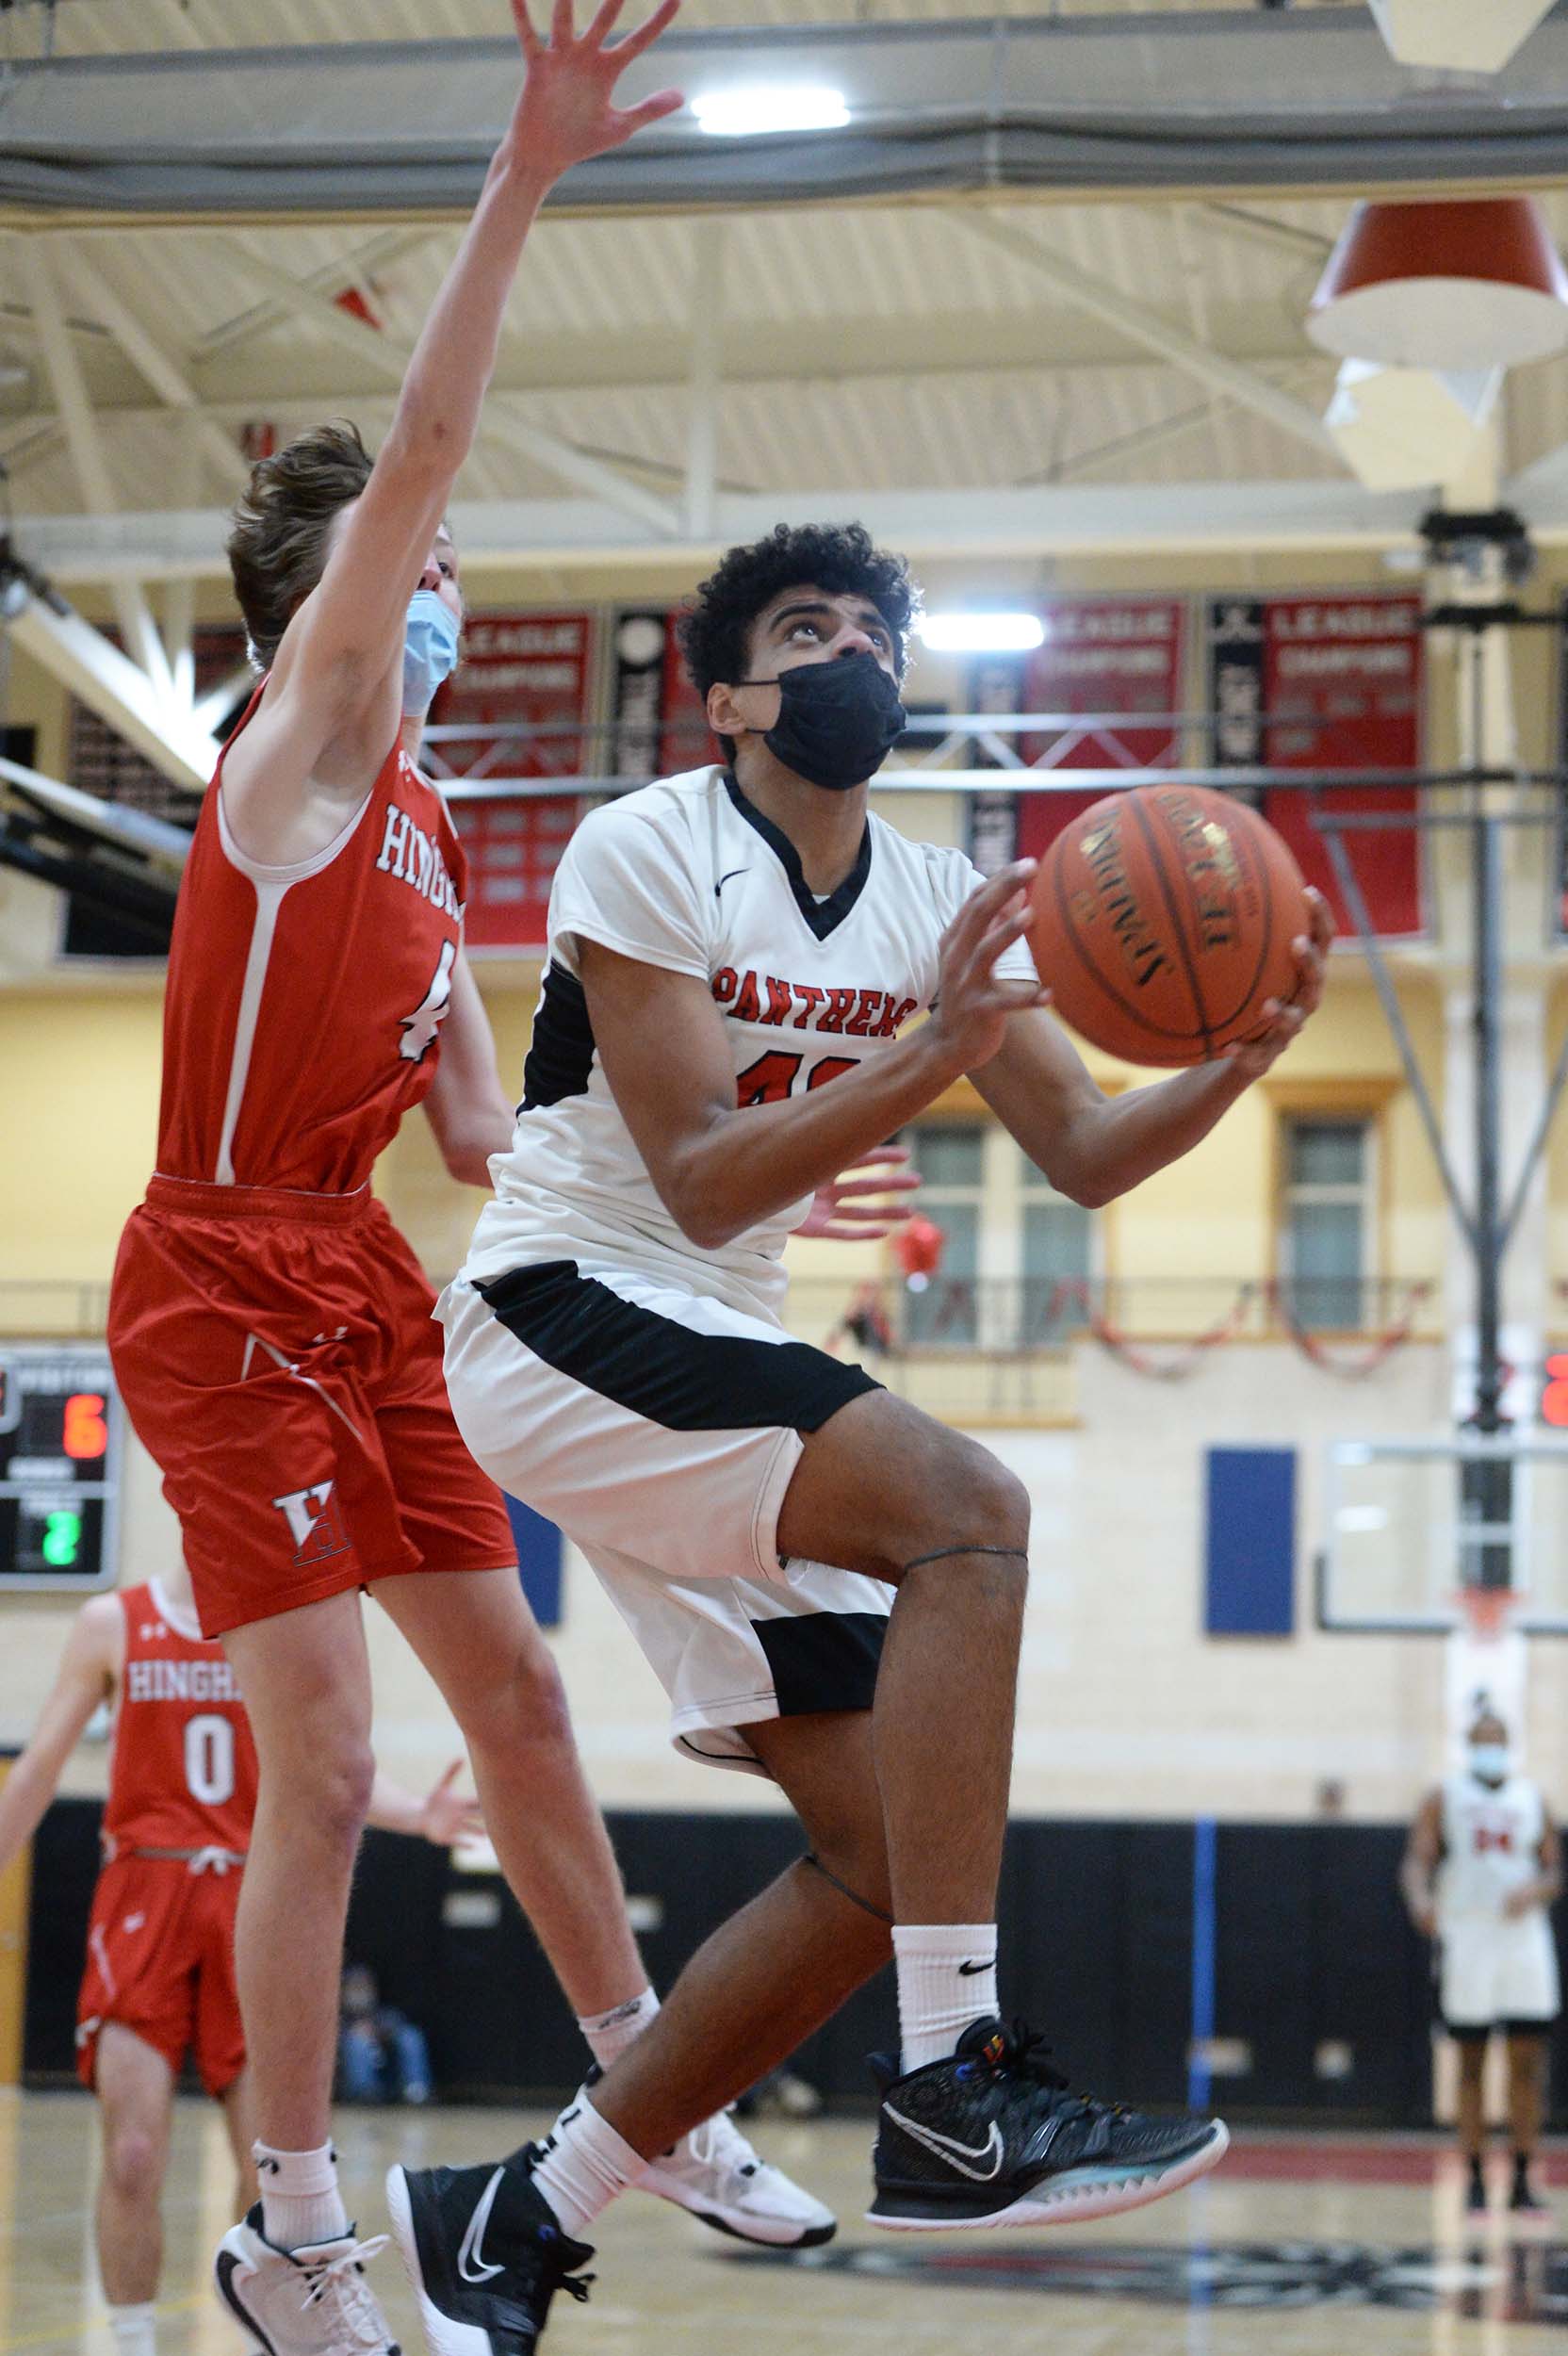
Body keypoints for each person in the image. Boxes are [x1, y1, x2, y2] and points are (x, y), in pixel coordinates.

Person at [103, 8, 858, 2348]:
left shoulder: (432, 841)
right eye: (390, 566)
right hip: (209, 1280)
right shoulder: (297, 755)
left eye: (436, 569)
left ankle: (647, 2073)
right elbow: (421, 449)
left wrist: (743, 1128)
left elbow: (465, 1141)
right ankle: (295, 2228)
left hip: (351, 1275)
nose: (430, 581)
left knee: (519, 1702)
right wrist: (525, 175)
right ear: (322, 608)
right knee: (321, 1760)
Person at [387, 517, 1334, 2346]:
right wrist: (927, 1051)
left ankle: (512, 2210)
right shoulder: (646, 842)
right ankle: (957, 2075)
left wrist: (1234, 1055)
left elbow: (1080, 1153)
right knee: (969, 1503)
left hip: (707, 1349)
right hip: (562, 1308)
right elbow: (698, 1166)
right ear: (728, 688)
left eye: (880, 633)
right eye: (809, 628)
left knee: (880, 1856)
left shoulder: (935, 901)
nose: (854, 656)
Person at [0, 1562, 482, 2356]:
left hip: (254, 1893)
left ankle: (257, 2339)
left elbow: (332, 1760)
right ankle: (129, 2343)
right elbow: (42, 1764)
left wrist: (419, 1816)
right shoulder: (111, 1622)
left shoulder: (270, 1619)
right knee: (132, 2150)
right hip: (145, 1890)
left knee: (267, 2170)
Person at [1402, 1707, 1562, 2216]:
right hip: (1468, 1935)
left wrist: (1537, 1888)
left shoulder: (1532, 1798)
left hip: (1522, 1940)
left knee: (1527, 2064)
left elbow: (1555, 1871)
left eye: (1497, 1738)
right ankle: (1472, 2173)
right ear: (1469, 1745)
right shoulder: (1444, 1797)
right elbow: (1415, 1862)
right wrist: (1420, 1901)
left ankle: (1521, 2177)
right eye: (1481, 1739)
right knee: (1470, 2062)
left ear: (1508, 1744)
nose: (1489, 1747)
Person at [338, 1965, 433, 2107]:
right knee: (357, 2043)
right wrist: (353, 2033)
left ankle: (415, 2089)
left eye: (363, 1987)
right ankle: (364, 2094)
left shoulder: (383, 2014)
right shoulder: (337, 2019)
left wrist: (377, 2032)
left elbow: (396, 2024)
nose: (360, 1992)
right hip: (351, 2082)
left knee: (410, 2035)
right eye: (354, 1987)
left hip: (388, 2077)